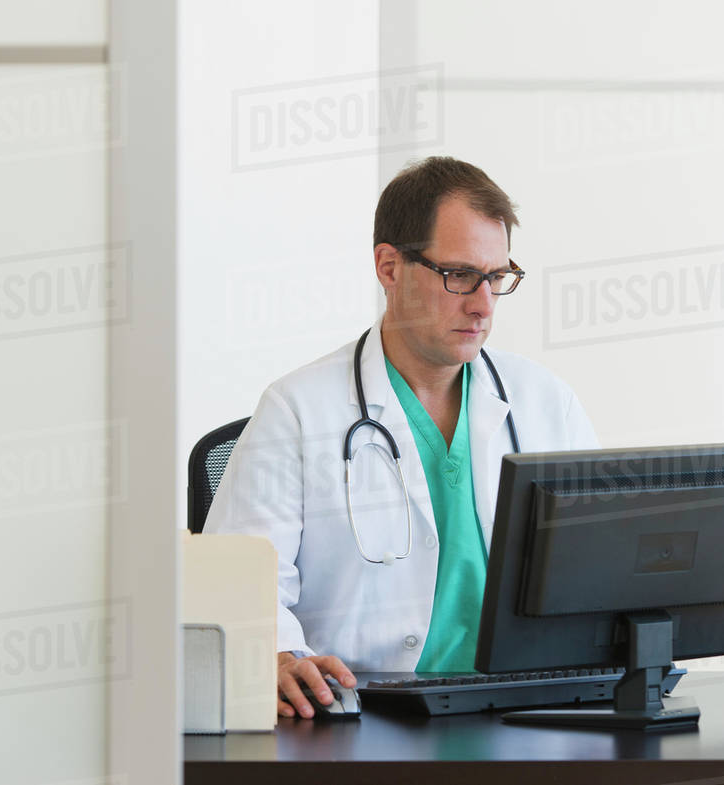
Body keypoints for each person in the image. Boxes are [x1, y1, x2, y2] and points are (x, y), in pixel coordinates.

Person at [203, 157, 599, 718]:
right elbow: (239, 588)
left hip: (526, 708)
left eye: (497, 277)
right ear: (389, 266)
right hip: (362, 715)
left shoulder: (544, 402)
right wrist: (279, 655)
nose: (483, 304)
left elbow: (600, 574)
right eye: (459, 275)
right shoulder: (297, 410)